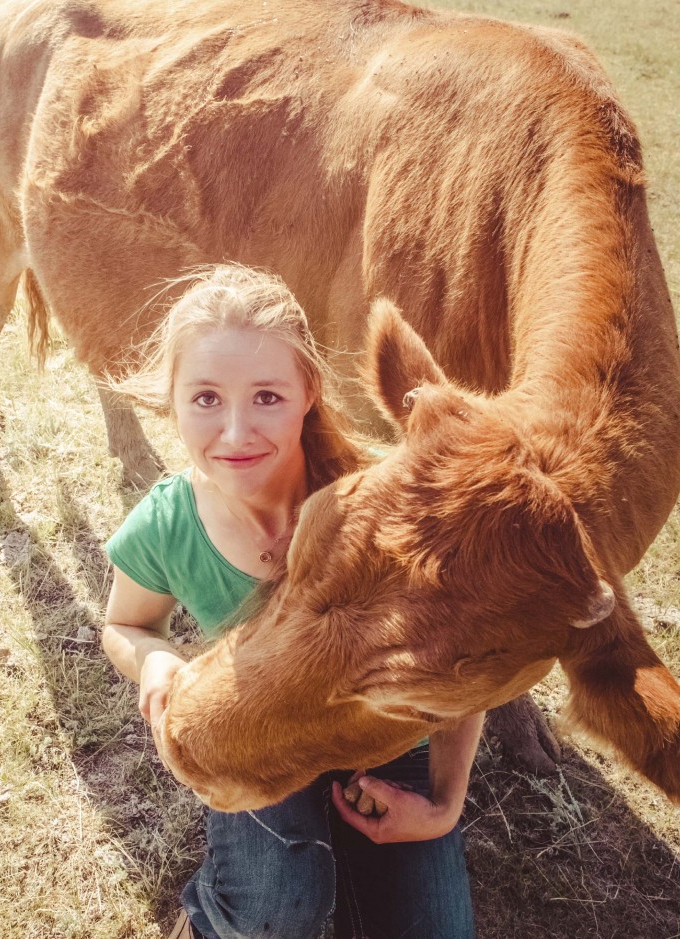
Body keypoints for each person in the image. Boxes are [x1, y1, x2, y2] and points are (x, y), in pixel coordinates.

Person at [102, 265, 484, 939]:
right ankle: (211, 920)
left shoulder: (375, 500)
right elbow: (124, 624)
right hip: (258, 727)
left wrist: (444, 802)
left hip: (378, 735)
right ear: (172, 398)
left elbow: (460, 665)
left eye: (268, 397)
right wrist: (158, 662)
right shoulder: (169, 521)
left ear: (309, 390)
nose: (236, 431)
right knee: (278, 912)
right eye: (207, 398)